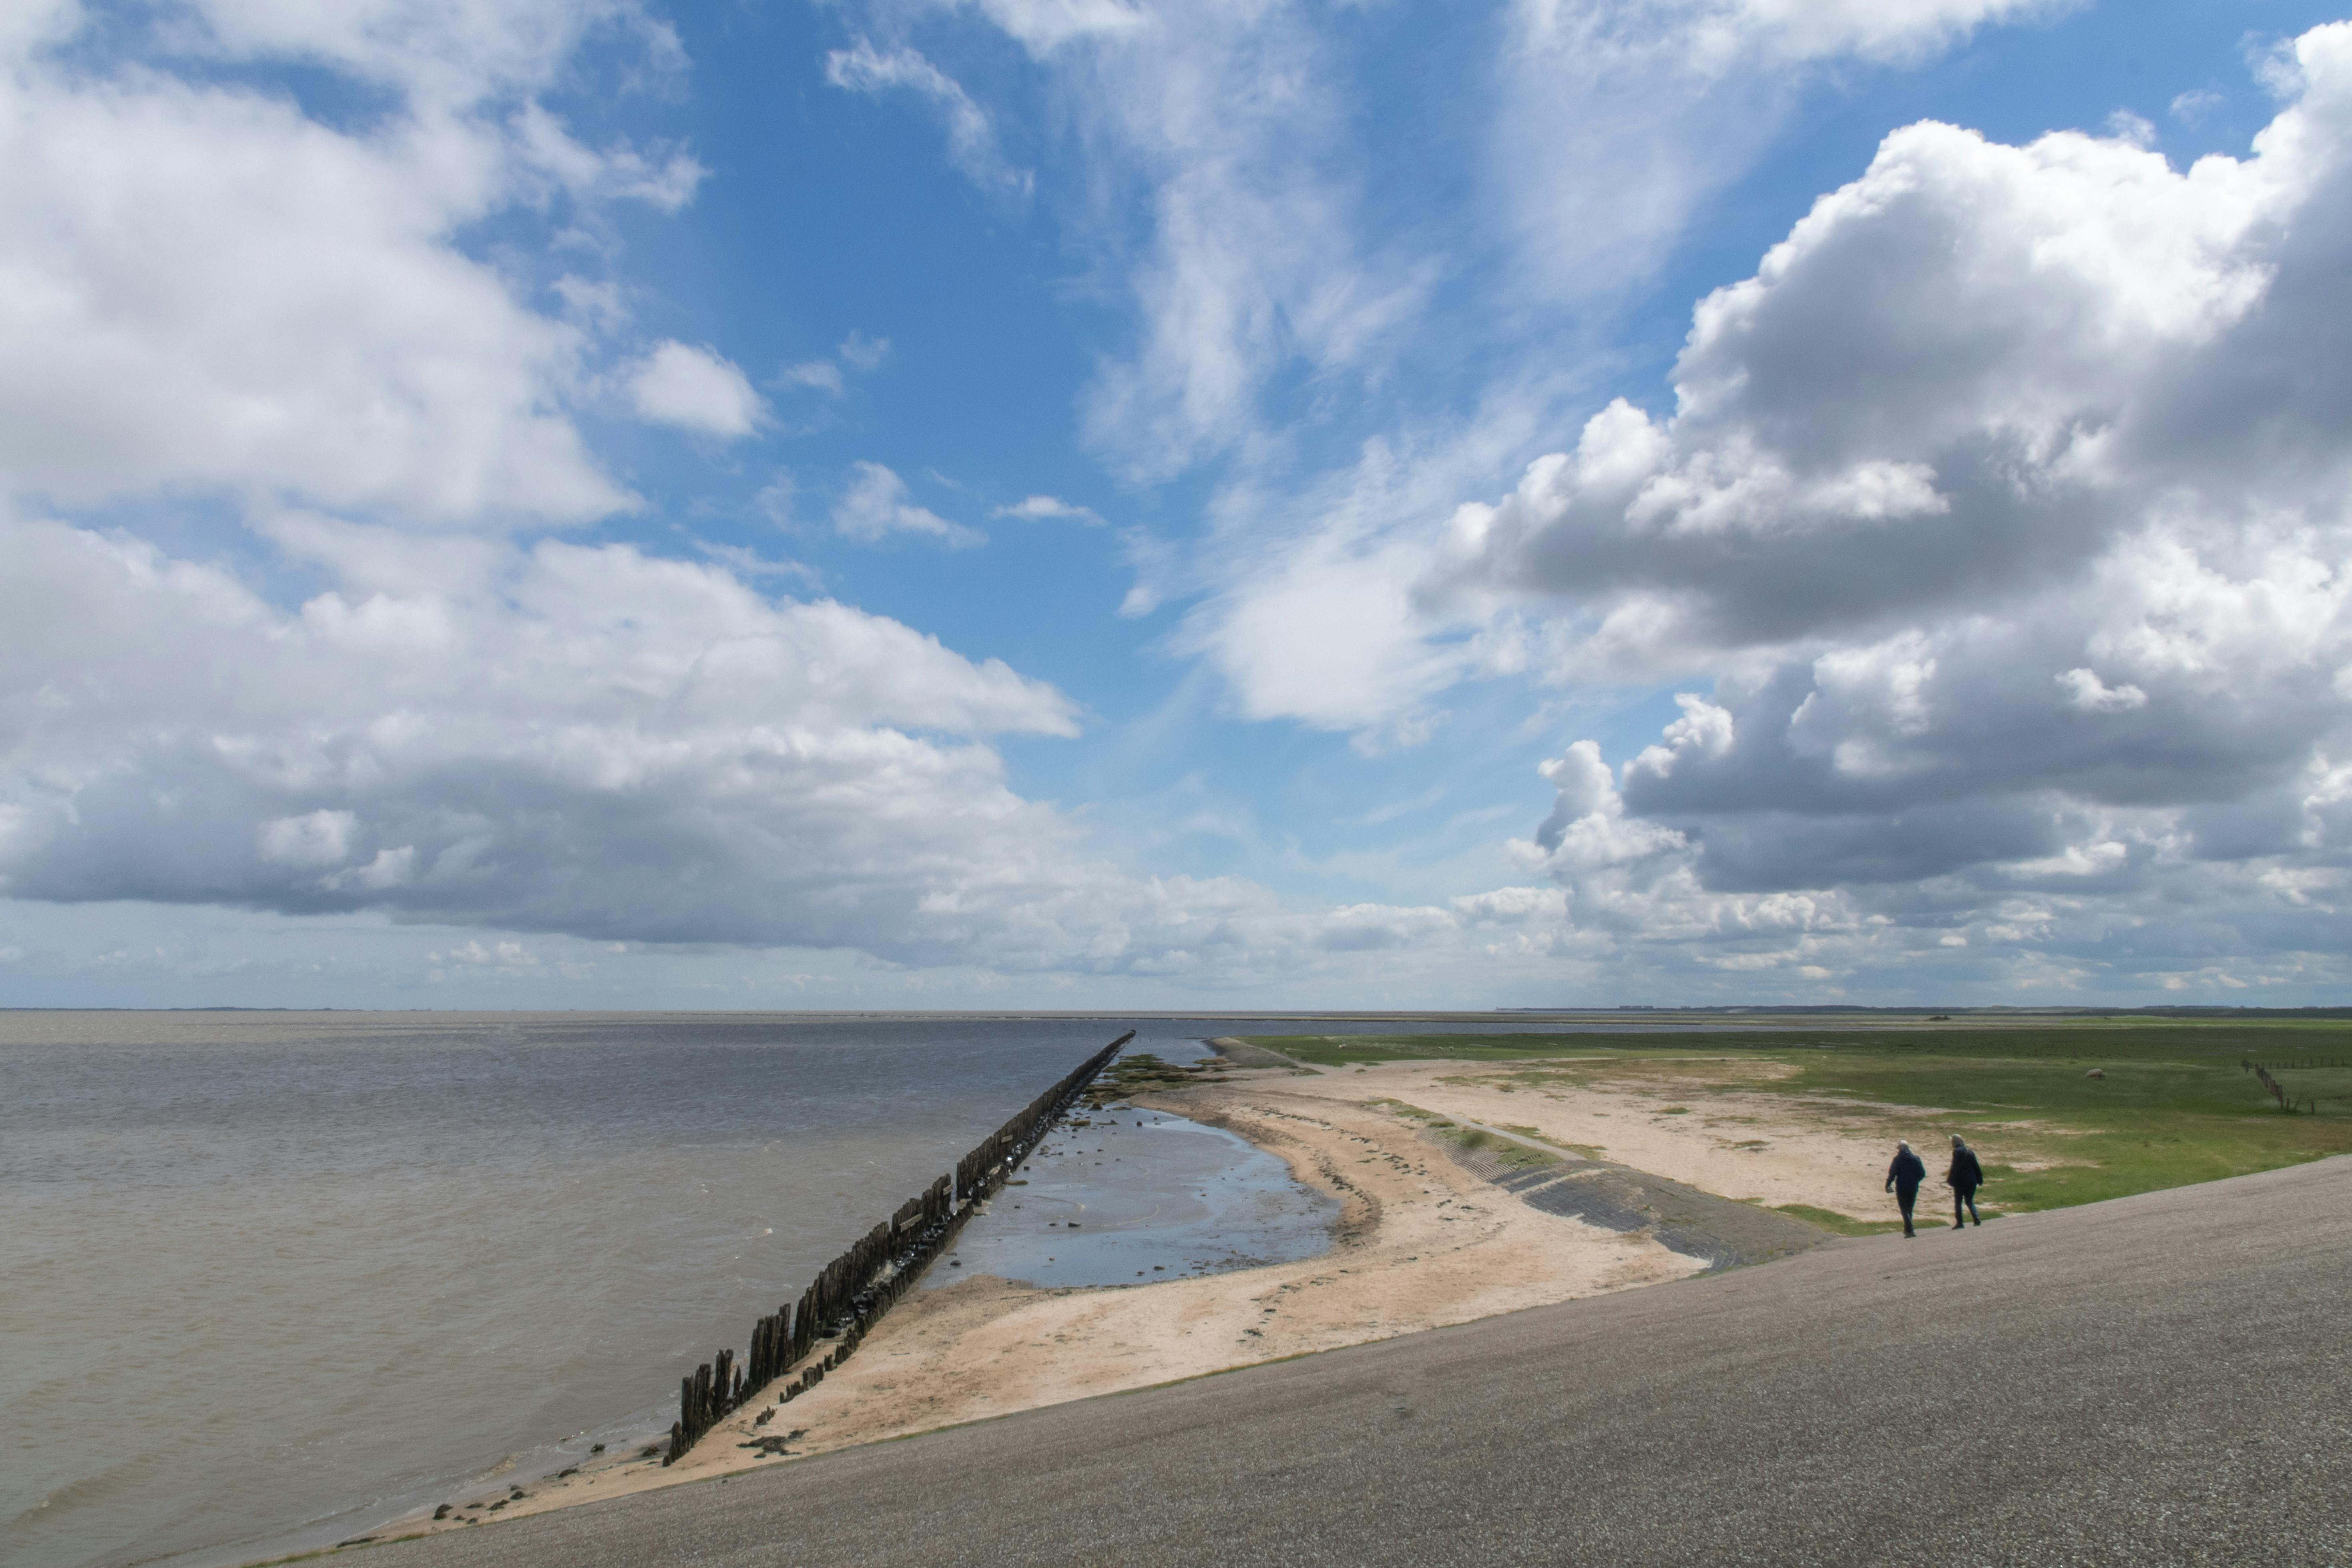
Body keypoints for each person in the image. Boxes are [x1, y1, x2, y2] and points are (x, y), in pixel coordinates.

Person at [1885, 1141, 1926, 1237]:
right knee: (1910, 1209)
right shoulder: (1916, 1159)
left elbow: (1892, 1174)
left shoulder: (1897, 1159)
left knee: (1904, 1209)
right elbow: (1922, 1173)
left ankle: (1910, 1229)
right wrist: (1916, 1181)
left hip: (1901, 1187)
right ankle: (1908, 1229)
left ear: (1900, 1149)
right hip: (1913, 1187)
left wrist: (1888, 1185)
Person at [1948, 1134, 1985, 1228]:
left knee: (1958, 1203)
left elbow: (1954, 1167)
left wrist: (1950, 1179)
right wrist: (1980, 1180)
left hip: (1960, 1182)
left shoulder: (1956, 1152)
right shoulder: (1970, 1152)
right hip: (1972, 1181)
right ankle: (1976, 1218)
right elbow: (1976, 1167)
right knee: (1969, 1201)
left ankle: (1960, 1223)